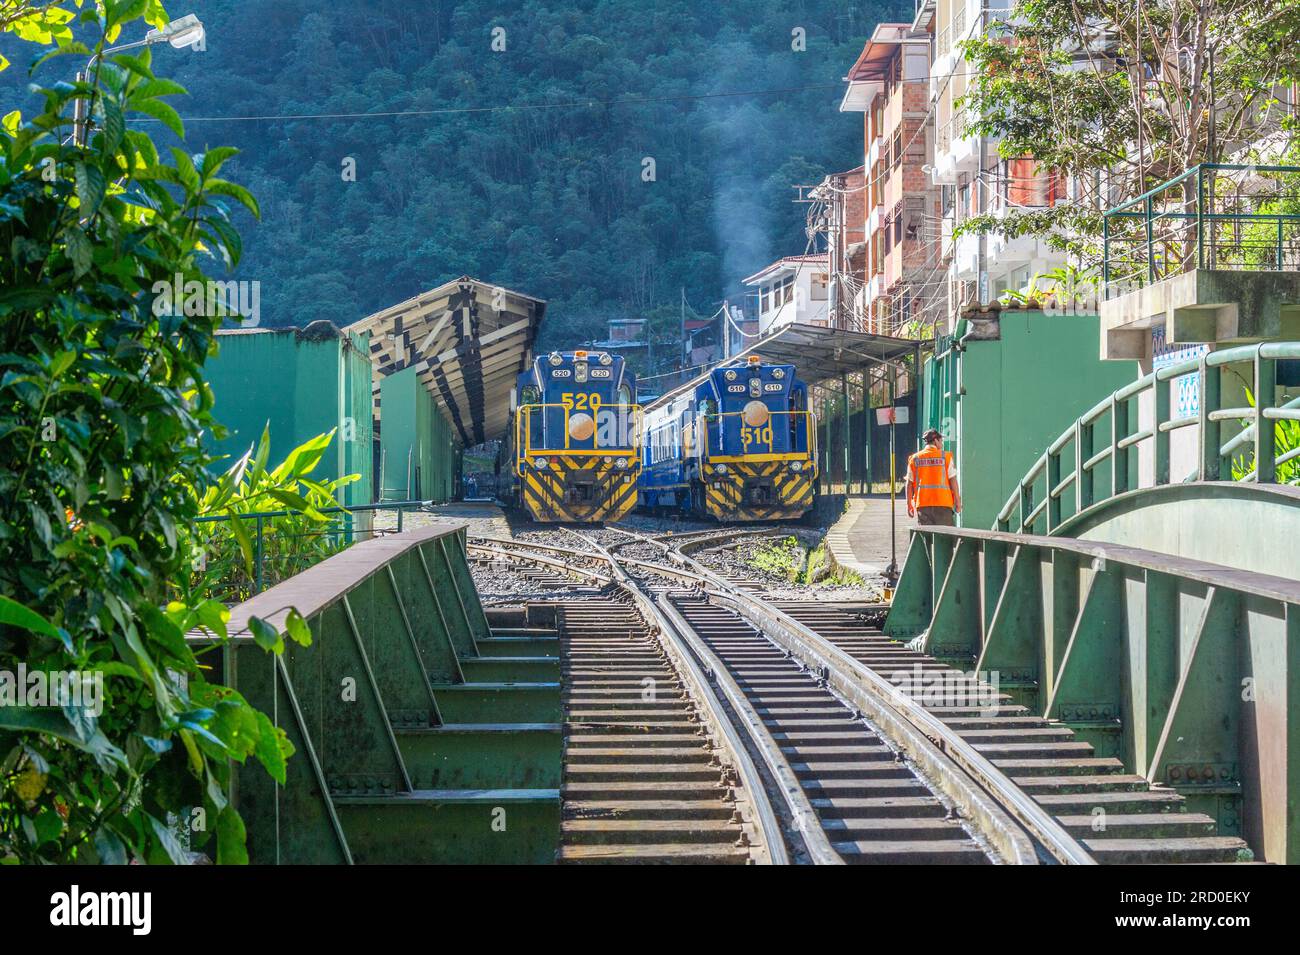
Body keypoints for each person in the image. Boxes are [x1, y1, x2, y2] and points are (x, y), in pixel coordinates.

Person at [905, 428, 961, 525]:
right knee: (945, 538)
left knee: (927, 537)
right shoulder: (946, 457)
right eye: (941, 441)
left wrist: (909, 504)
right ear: (935, 441)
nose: (942, 444)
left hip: (923, 505)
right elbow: (953, 480)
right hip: (943, 504)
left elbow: (909, 483)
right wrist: (957, 501)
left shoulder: (915, 458)